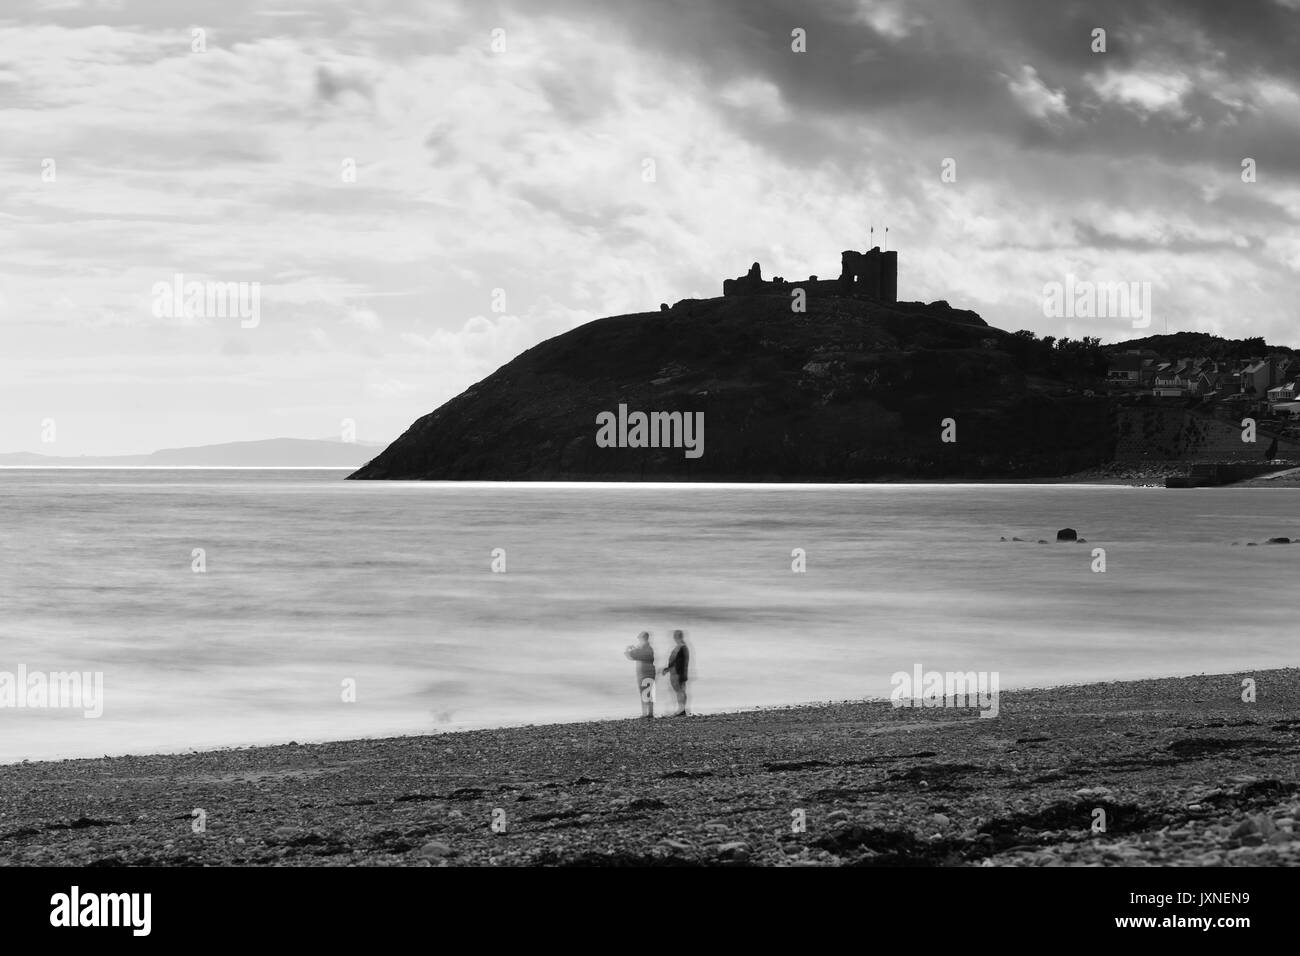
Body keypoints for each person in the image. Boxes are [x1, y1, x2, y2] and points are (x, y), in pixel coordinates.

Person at [624, 631, 656, 718]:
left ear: (643, 639)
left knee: (645, 693)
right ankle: (649, 713)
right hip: (649, 672)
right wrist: (634, 649)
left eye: (640, 639)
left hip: (644, 673)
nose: (639, 640)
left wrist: (628, 649)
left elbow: (630, 656)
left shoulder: (644, 648)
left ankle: (646, 713)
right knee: (648, 693)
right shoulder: (648, 648)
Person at [661, 629, 690, 716]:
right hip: (677, 672)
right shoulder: (681, 647)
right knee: (680, 691)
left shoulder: (682, 647)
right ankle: (681, 709)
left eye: (675, 636)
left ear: (677, 637)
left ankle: (681, 709)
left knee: (680, 691)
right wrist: (668, 669)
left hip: (678, 673)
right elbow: (675, 662)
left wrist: (671, 670)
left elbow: (680, 663)